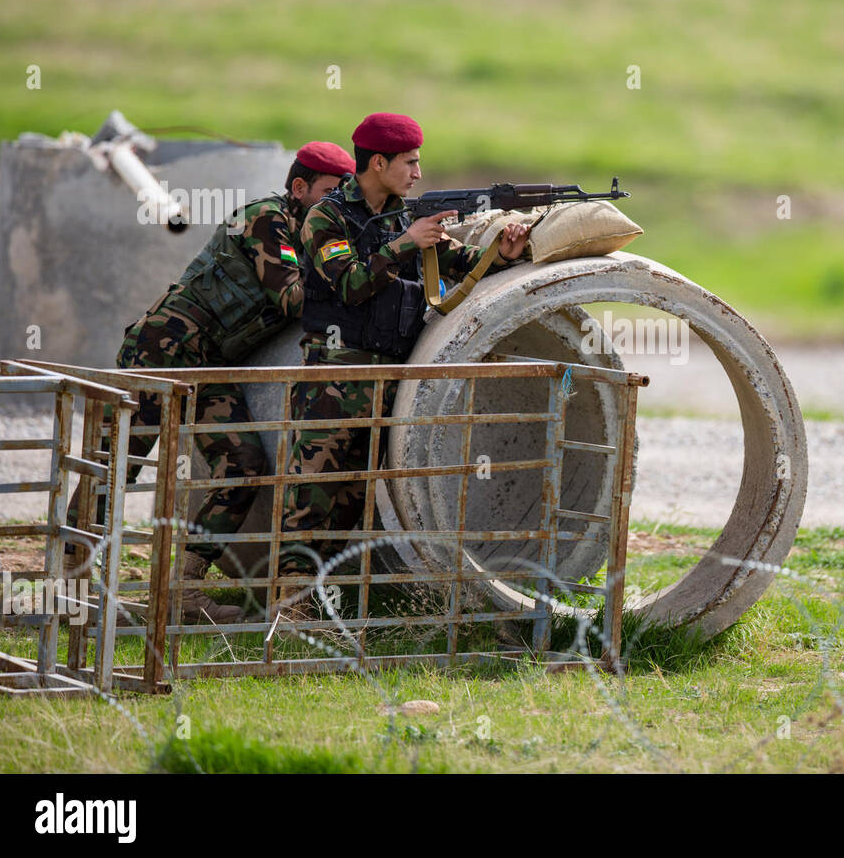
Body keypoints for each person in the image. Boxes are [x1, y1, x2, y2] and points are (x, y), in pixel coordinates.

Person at [68, 142, 355, 624]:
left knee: (243, 464)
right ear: (300, 188)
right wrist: (352, 277)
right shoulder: (268, 219)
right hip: (163, 351)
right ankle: (72, 585)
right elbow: (291, 298)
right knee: (117, 464)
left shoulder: (313, 231)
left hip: (207, 365)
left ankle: (184, 588)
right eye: (329, 193)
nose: (337, 204)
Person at [277, 112, 529, 617]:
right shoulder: (326, 217)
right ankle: (288, 604)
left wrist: (501, 254)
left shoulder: (399, 215)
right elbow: (347, 283)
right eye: (409, 162)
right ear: (378, 162)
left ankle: (320, 601)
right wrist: (404, 243)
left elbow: (455, 261)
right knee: (313, 492)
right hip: (336, 376)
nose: (418, 172)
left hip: (390, 376)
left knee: (354, 496)